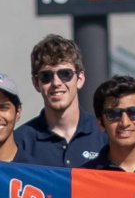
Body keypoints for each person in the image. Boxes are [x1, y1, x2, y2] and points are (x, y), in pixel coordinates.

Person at [14, 34, 103, 166]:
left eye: (65, 74)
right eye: (46, 76)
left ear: (80, 79)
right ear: (36, 83)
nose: (56, 83)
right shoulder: (20, 142)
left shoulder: (105, 135)